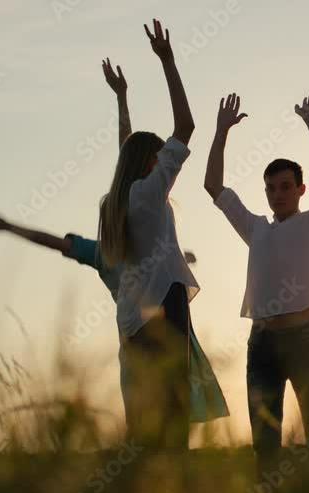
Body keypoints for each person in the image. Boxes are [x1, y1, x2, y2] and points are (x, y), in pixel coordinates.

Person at [0, 212, 228, 426]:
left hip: (163, 349)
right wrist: (8, 227)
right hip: (138, 354)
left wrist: (185, 260)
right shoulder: (106, 256)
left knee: (168, 422)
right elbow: (55, 242)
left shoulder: (151, 254)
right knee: (148, 428)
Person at [203, 92, 309, 492]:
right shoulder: (256, 229)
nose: (277, 194)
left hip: (305, 341)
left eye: (284, 187)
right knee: (265, 445)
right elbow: (213, 186)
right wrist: (220, 132)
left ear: (299, 189)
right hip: (261, 344)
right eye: (270, 188)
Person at [97, 18, 197, 452]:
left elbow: (126, 148)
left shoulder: (119, 198)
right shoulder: (149, 193)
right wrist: (168, 61)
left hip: (130, 317)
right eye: (159, 155)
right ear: (153, 161)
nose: (164, 161)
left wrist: (122, 97)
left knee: (143, 413)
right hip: (164, 306)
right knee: (175, 410)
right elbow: (187, 125)